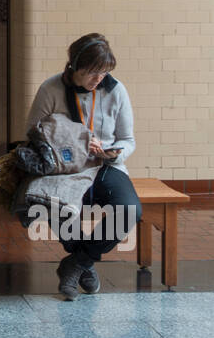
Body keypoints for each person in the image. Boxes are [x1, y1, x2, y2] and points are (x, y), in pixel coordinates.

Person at [25, 33, 141, 301]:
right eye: (91, 73)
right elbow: (33, 134)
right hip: (64, 169)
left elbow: (127, 139)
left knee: (129, 210)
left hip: (105, 167)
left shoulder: (116, 90)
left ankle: (77, 263)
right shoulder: (50, 89)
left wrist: (115, 153)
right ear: (74, 66)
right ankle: (83, 264)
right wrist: (73, 143)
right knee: (52, 204)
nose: (98, 79)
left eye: (103, 73)